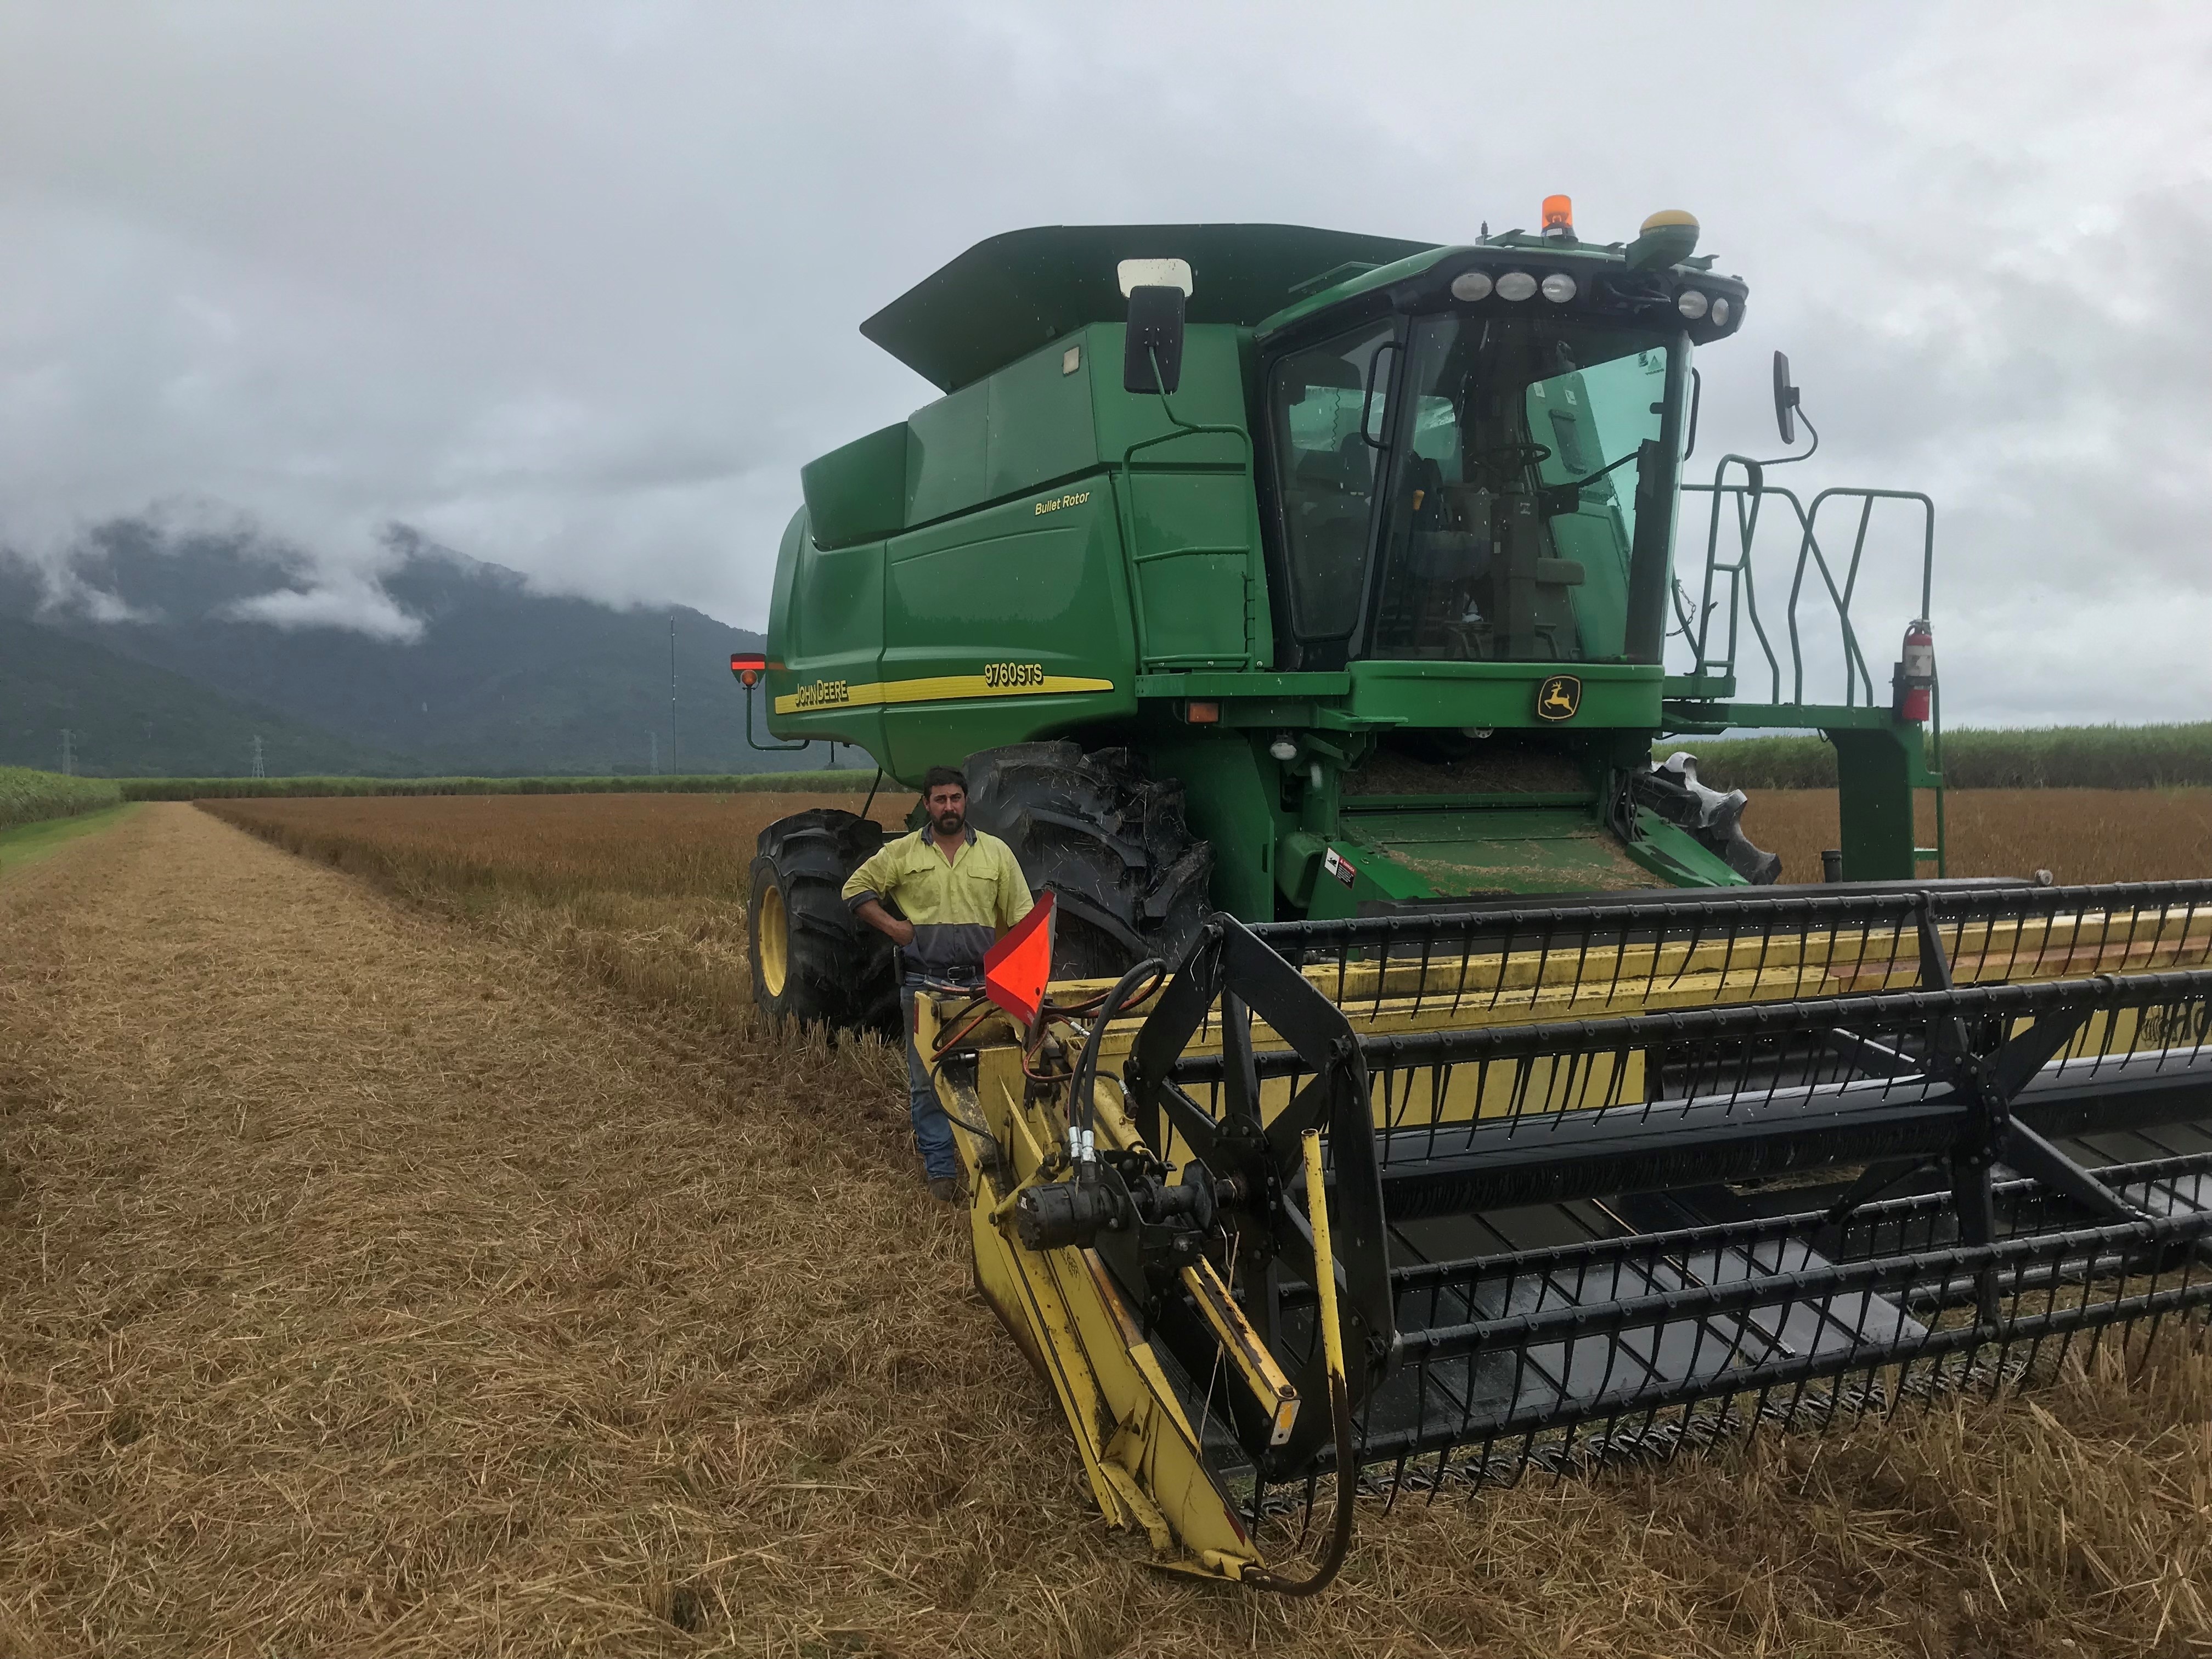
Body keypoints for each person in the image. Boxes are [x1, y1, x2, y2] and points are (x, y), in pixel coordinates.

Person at [841, 765, 1033, 1201]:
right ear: (926, 805)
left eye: (956, 798)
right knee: (928, 1082)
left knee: (990, 1077)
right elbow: (855, 890)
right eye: (940, 799)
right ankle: (941, 1175)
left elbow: (1023, 919)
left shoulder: (996, 855)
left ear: (967, 802)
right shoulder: (903, 853)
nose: (949, 807)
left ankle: (990, 1171)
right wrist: (894, 928)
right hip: (923, 986)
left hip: (980, 988)